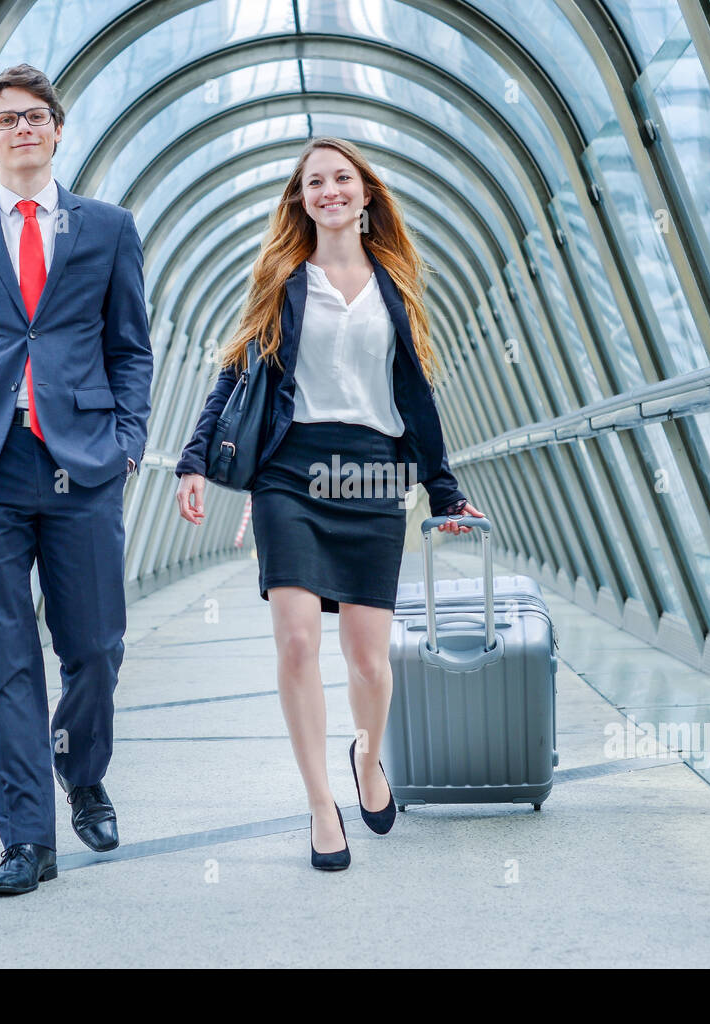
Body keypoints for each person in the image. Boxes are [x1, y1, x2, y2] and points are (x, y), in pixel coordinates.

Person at [173, 136, 485, 871]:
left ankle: (367, 758)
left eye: (342, 178)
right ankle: (321, 806)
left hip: (374, 475)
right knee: (297, 643)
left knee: (371, 662)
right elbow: (235, 373)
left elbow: (416, 393)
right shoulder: (282, 278)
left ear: (365, 194)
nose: (329, 191)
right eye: (315, 182)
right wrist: (194, 459)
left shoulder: (394, 284)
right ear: (301, 199)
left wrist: (442, 485)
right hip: (290, 472)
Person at [0, 64, 153, 895]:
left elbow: (130, 347)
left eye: (37, 116)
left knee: (94, 647)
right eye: (8, 119)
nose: (23, 129)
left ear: (57, 130)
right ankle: (25, 837)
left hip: (84, 461)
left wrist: (128, 439)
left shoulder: (109, 227)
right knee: (5, 659)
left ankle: (81, 773)